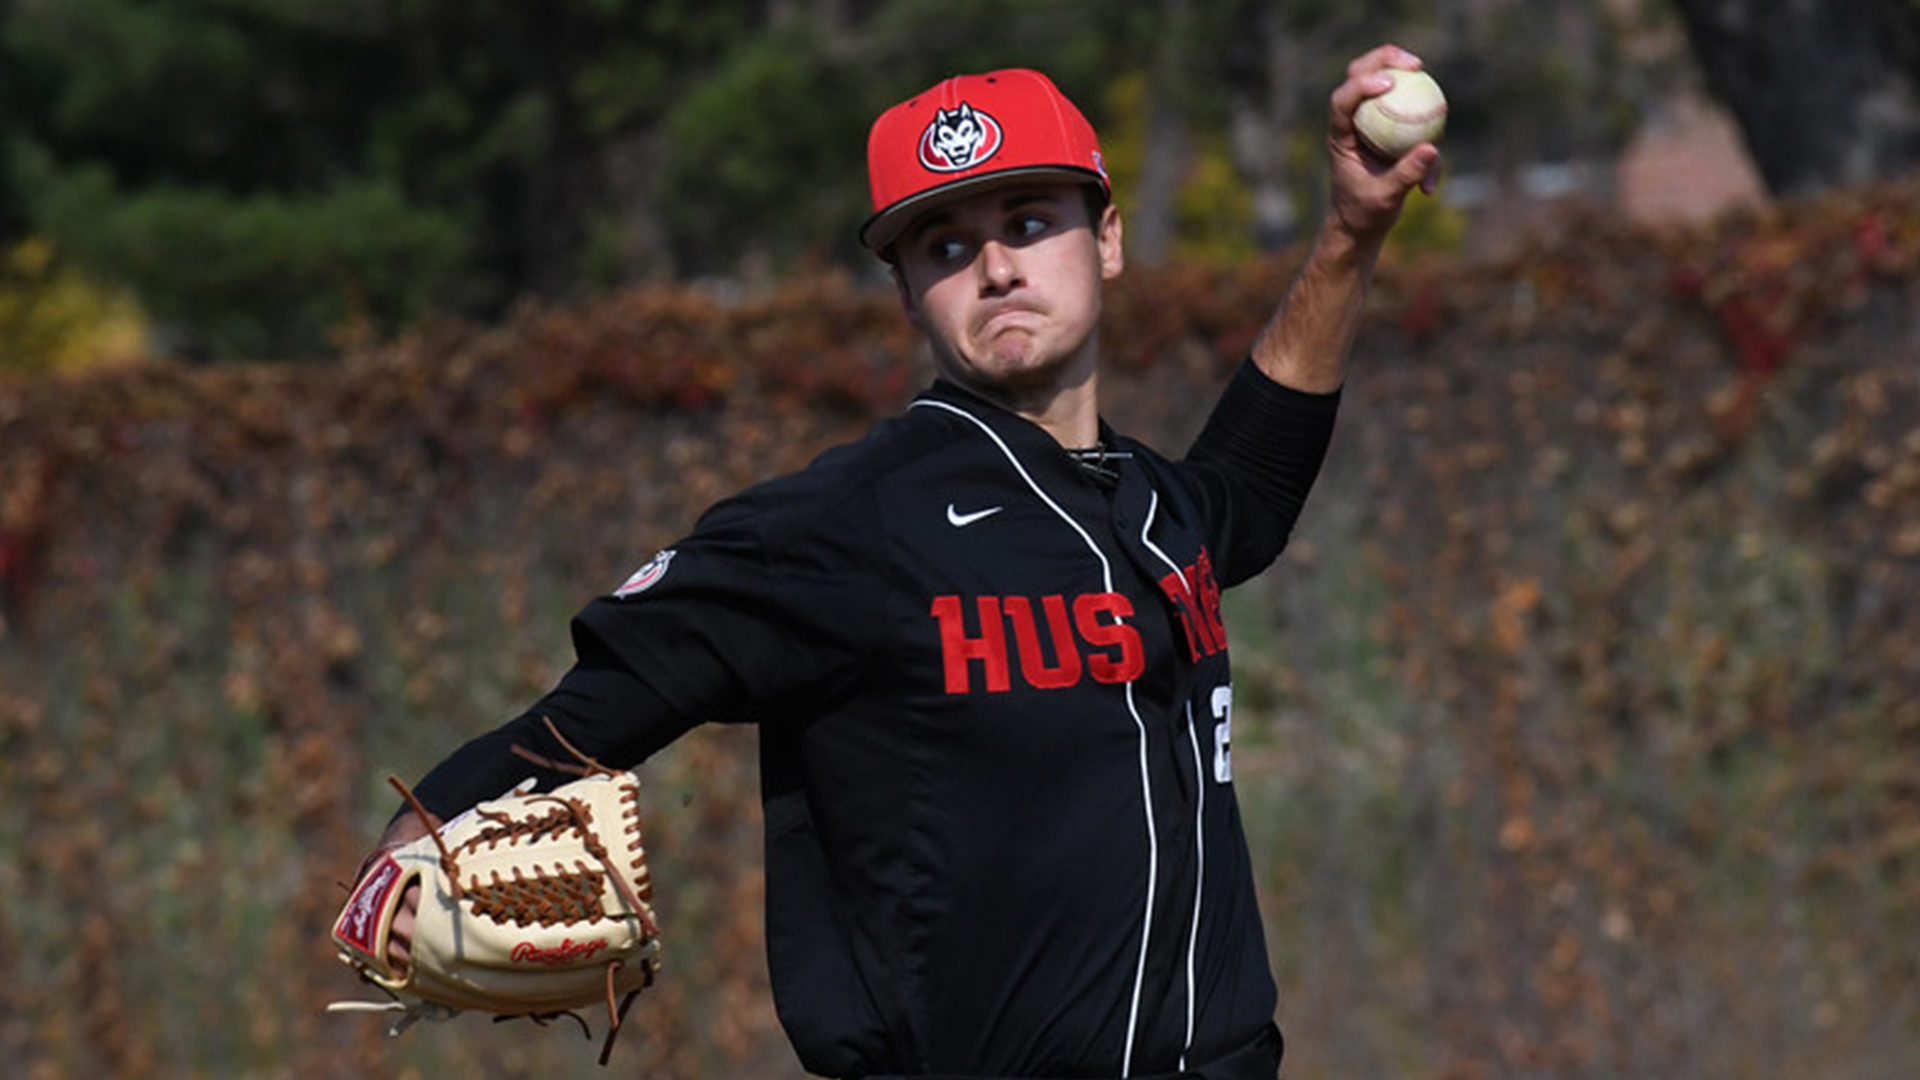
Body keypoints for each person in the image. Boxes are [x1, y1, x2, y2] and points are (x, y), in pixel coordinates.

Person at [352, 44, 1440, 1080]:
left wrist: (1350, 234)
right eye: (947, 246)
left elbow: (1249, 486)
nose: (998, 268)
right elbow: (597, 706)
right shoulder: (844, 528)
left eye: (1028, 219)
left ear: (1106, 237)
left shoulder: (1152, 507)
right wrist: (408, 846)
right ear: (907, 291)